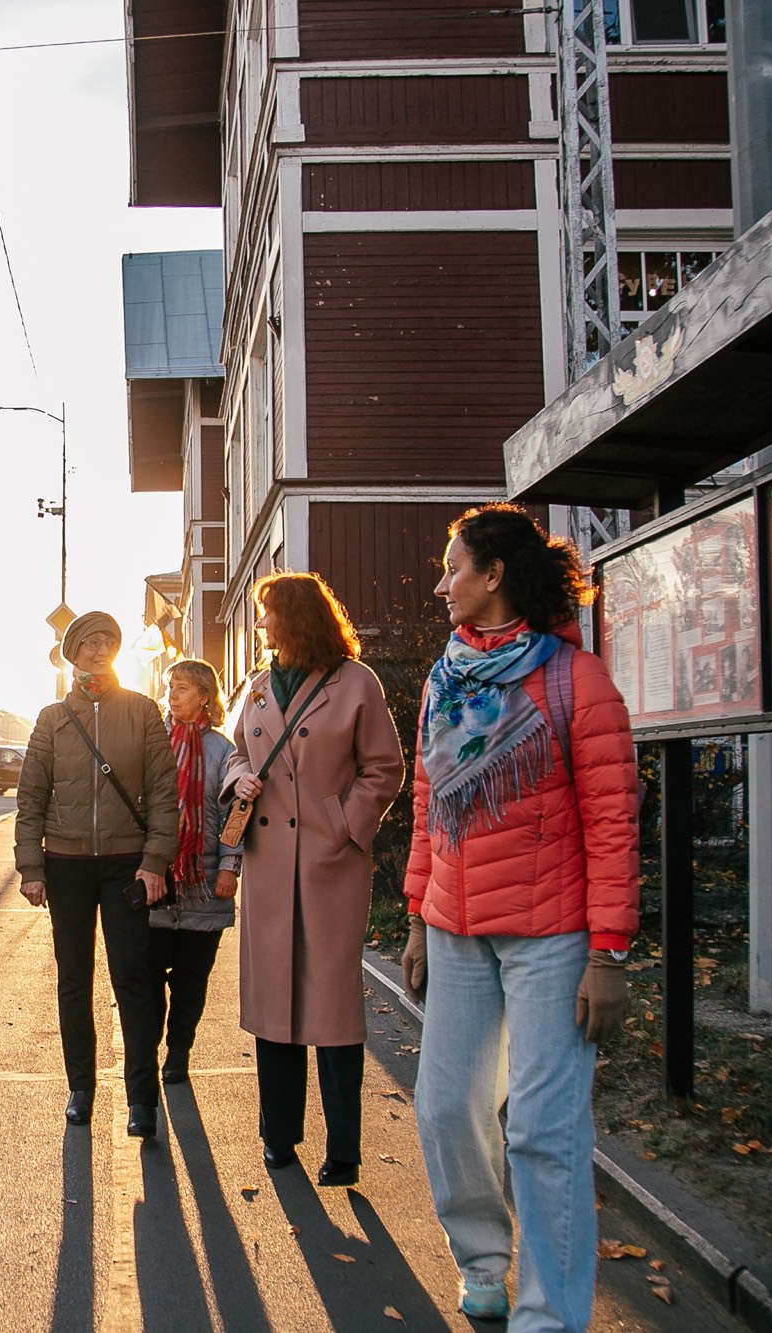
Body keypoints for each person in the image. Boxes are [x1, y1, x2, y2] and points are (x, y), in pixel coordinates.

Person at [403, 504, 639, 1329]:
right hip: (456, 927)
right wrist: (414, 916)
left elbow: (613, 821)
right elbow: (431, 801)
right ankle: (481, 1261)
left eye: (453, 566)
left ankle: (549, 1313)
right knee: (444, 1108)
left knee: (542, 1129)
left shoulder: (577, 681)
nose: (442, 583)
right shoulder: (446, 678)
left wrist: (608, 952)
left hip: (553, 936)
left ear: (494, 574)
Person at [231, 572, 404, 1184]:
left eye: (268, 614)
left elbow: (384, 768)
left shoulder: (355, 683)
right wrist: (237, 780)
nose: (262, 625)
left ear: (297, 617)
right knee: (274, 1003)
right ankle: (278, 1136)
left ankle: (345, 1149)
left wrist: (342, 824)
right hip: (269, 867)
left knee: (331, 1008)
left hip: (331, 864)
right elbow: (234, 753)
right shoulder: (255, 689)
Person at [16, 611, 179, 1138]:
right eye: (89, 642)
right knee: (73, 979)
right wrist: (30, 866)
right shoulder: (52, 719)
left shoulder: (141, 710)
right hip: (64, 865)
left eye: (108, 640)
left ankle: (141, 1099)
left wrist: (155, 860)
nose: (100, 649)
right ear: (73, 652)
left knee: (133, 978)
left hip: (125, 864)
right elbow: (31, 799)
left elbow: (163, 794)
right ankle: (80, 1087)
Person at [146, 659, 241, 1087]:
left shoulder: (223, 751)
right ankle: (146, 1049)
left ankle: (178, 1051)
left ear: (205, 695)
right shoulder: (154, 744)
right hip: (157, 882)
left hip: (204, 886)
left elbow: (234, 814)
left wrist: (229, 865)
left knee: (191, 982)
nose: (173, 695)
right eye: (171, 687)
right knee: (147, 979)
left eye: (183, 687)